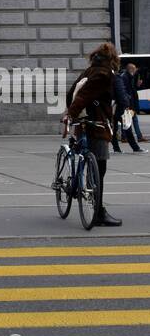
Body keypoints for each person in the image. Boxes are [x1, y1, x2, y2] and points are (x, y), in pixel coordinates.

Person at [65, 41, 122, 226]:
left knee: (92, 166)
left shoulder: (89, 71)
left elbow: (72, 93)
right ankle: (98, 213)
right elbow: (84, 96)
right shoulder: (105, 74)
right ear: (113, 58)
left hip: (83, 123)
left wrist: (72, 115)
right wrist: (70, 113)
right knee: (100, 169)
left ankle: (84, 193)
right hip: (97, 124)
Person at [112, 68, 146, 154]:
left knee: (114, 128)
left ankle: (116, 148)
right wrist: (127, 104)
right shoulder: (117, 77)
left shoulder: (108, 77)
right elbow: (121, 92)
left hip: (112, 107)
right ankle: (135, 148)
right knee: (127, 127)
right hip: (119, 107)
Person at [121, 61, 146, 143]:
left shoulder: (129, 77)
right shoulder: (125, 77)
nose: (136, 71)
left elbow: (131, 89)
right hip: (129, 103)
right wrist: (127, 102)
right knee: (127, 120)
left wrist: (137, 85)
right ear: (131, 70)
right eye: (135, 69)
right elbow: (125, 90)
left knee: (129, 119)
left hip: (130, 102)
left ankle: (133, 136)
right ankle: (126, 137)